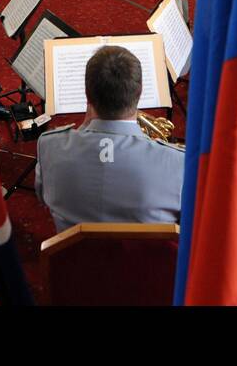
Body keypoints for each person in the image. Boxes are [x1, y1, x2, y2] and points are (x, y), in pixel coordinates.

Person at [35, 45, 184, 232]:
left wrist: (83, 129)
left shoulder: (49, 146)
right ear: (139, 92)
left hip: (73, 259)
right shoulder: (178, 163)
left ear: (87, 94)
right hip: (146, 261)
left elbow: (42, 197)